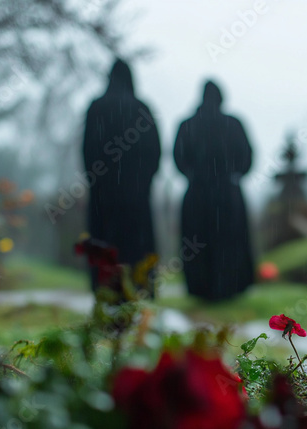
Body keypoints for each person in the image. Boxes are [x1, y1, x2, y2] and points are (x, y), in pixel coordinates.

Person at [82, 59, 161, 295]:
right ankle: (139, 288)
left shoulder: (97, 108)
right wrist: (144, 183)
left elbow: (87, 150)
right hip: (136, 194)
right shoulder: (141, 108)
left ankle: (106, 290)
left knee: (105, 244)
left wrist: (96, 180)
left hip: (103, 194)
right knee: (136, 245)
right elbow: (155, 151)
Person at [174, 81, 255, 300]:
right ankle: (228, 286)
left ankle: (202, 288)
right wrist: (230, 176)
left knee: (199, 243)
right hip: (227, 195)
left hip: (198, 195)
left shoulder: (188, 125)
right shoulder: (233, 124)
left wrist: (196, 176)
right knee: (227, 242)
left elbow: (179, 159)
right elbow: (247, 158)